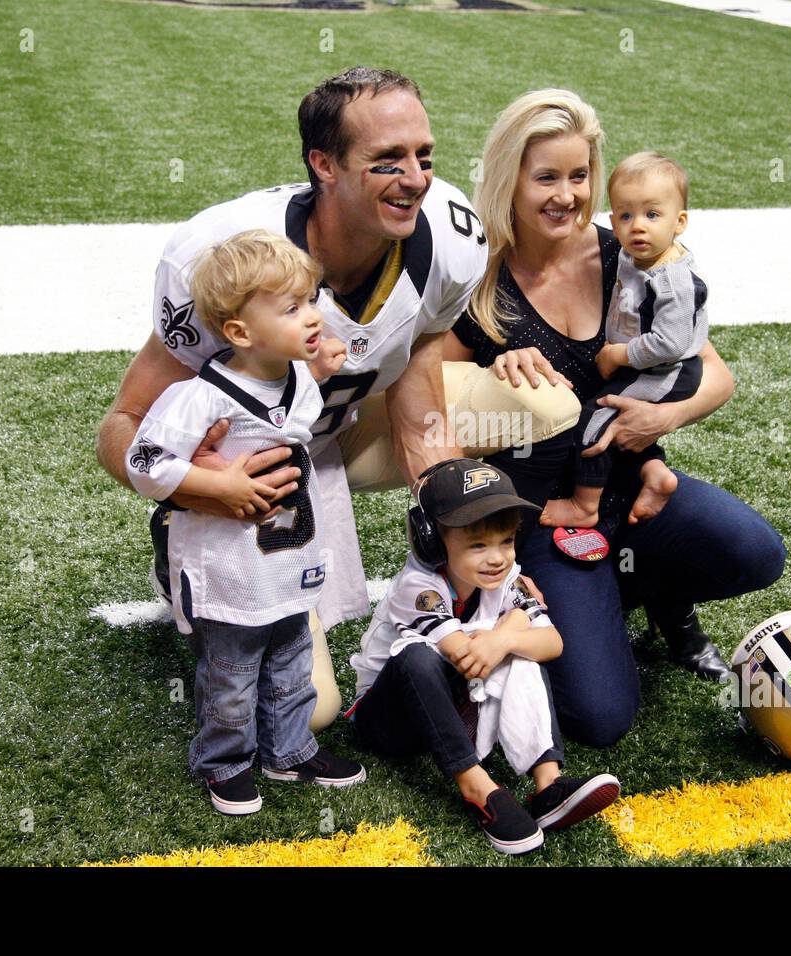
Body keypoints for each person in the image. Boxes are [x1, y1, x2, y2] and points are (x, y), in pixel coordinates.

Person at [96, 67, 490, 728]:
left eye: (424, 156)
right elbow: (125, 424)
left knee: (544, 410)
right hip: (262, 471)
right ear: (324, 164)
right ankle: (180, 544)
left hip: (342, 428)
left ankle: (528, 570)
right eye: (387, 160)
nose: (417, 178)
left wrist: (457, 528)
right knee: (310, 713)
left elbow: (422, 402)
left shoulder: (449, 239)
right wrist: (196, 489)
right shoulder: (223, 256)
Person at [445, 89, 787, 747]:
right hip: (541, 517)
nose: (567, 195)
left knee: (756, 553)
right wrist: (493, 385)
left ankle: (657, 599)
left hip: (631, 488)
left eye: (579, 176)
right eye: (546, 177)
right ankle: (582, 599)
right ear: (508, 178)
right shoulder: (477, 278)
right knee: (600, 718)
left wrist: (662, 419)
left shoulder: (625, 255)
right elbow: (427, 408)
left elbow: (716, 375)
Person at [125, 231, 365, 814]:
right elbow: (143, 460)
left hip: (285, 562)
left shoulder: (294, 377)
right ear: (239, 332)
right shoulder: (202, 397)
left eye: (312, 299)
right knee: (231, 675)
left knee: (291, 665)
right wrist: (219, 484)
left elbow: (295, 414)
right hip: (229, 569)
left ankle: (289, 750)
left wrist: (323, 371)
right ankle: (224, 762)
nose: (313, 317)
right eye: (292, 308)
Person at [348, 458, 620, 855]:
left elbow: (553, 642)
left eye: (506, 541)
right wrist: (512, 628)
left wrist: (509, 635)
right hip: (390, 719)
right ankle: (477, 788)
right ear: (431, 540)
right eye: (478, 544)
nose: (497, 558)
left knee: (520, 651)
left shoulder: (507, 577)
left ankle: (549, 785)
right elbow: (466, 658)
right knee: (417, 656)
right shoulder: (417, 588)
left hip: (457, 707)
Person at [541, 151, 709, 530]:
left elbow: (669, 343)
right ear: (613, 221)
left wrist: (619, 355)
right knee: (621, 417)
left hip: (668, 369)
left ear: (679, 222)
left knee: (595, 418)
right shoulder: (633, 257)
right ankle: (654, 471)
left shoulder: (673, 280)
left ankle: (584, 505)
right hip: (649, 364)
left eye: (652, 215)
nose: (638, 227)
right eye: (626, 216)